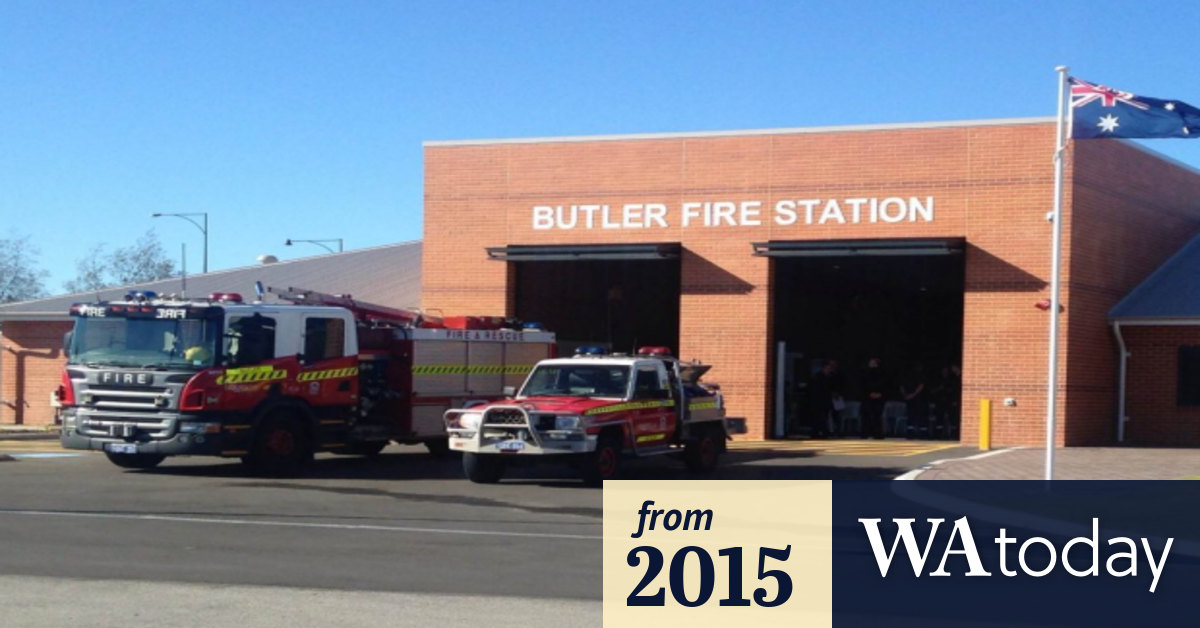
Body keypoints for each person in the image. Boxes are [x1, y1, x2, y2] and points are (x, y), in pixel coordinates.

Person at [807, 360, 836, 438]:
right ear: (824, 368)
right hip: (818, 401)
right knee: (818, 418)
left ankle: (821, 432)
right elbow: (816, 390)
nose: (829, 370)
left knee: (823, 417)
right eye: (828, 368)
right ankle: (818, 432)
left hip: (824, 401)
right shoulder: (818, 377)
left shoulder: (829, 377)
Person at [900, 363, 929, 439]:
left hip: (914, 398)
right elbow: (921, 385)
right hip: (918, 399)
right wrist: (911, 395)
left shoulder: (907, 375)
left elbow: (902, 386)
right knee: (916, 416)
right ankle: (920, 433)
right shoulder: (920, 375)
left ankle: (913, 433)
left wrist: (907, 395)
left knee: (913, 416)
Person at [860, 357, 887, 439]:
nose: (871, 364)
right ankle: (866, 433)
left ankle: (877, 433)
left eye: (873, 363)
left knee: (877, 415)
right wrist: (869, 393)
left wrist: (880, 393)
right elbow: (863, 384)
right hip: (867, 396)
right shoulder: (865, 372)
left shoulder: (882, 373)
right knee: (867, 415)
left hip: (878, 397)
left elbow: (885, 384)